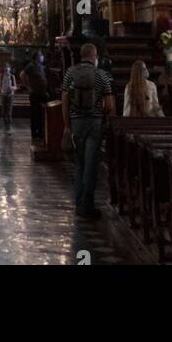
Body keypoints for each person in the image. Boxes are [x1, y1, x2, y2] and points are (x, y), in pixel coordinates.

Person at [61, 43, 114, 219]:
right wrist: (102, 113)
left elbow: (65, 101)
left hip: (76, 123)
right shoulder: (101, 75)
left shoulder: (70, 73)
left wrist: (67, 125)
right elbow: (110, 104)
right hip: (94, 123)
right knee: (91, 165)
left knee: (79, 163)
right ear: (94, 56)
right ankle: (87, 205)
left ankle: (78, 202)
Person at [20, 52, 49, 141]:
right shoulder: (31, 66)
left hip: (42, 93)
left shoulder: (41, 66)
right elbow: (22, 75)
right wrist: (28, 87)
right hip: (35, 94)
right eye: (41, 55)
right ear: (37, 57)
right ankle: (35, 133)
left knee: (41, 114)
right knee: (35, 114)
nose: (42, 57)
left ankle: (40, 132)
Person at [0, 59, 17, 132]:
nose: (6, 69)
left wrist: (11, 88)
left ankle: (8, 127)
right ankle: (5, 124)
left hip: (10, 95)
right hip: (3, 95)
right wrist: (1, 90)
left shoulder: (12, 77)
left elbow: (15, 86)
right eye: (5, 67)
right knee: (3, 112)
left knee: (9, 112)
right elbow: (0, 85)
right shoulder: (2, 76)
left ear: (10, 68)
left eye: (8, 67)